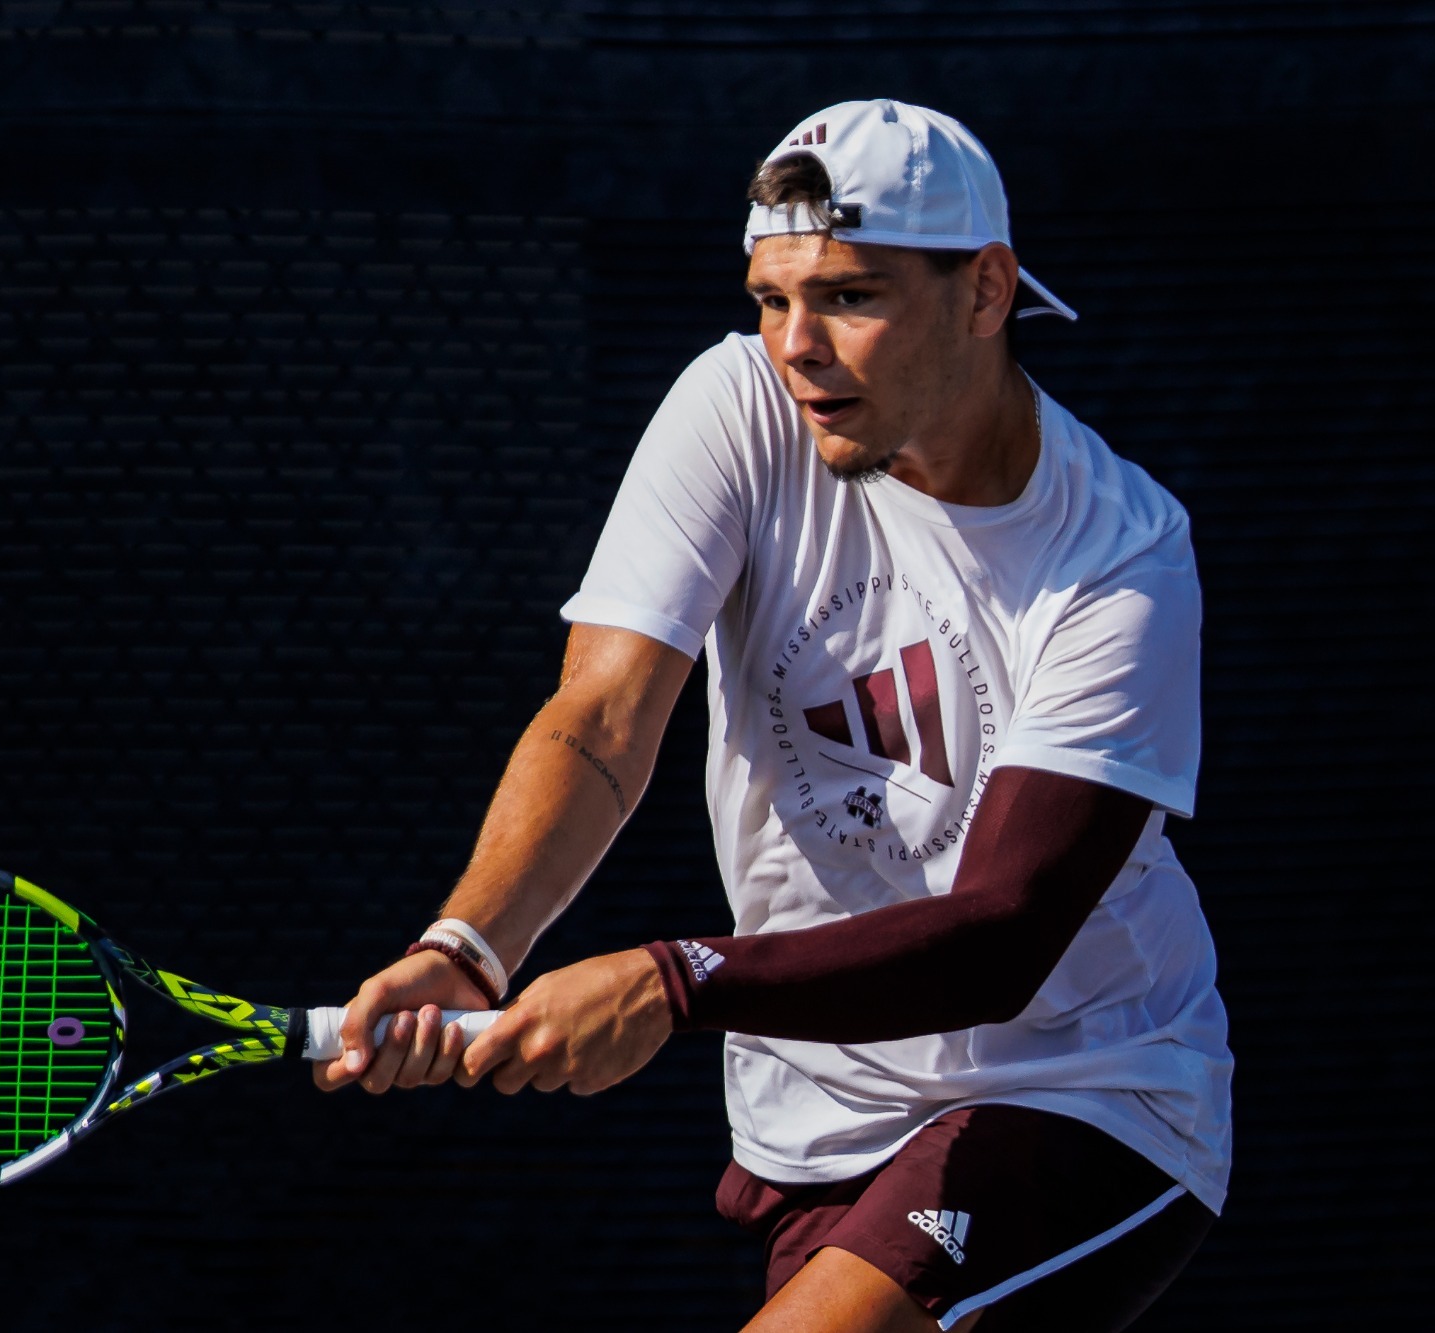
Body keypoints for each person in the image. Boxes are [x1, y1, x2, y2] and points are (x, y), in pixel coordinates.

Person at [315, 99, 1233, 1333]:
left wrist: (670, 982)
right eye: (768, 296)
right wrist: (465, 947)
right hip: (809, 1123)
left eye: (850, 296)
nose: (794, 343)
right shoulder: (738, 406)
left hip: (1079, 1089)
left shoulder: (1120, 554)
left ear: (985, 290)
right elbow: (599, 717)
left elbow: (999, 935)